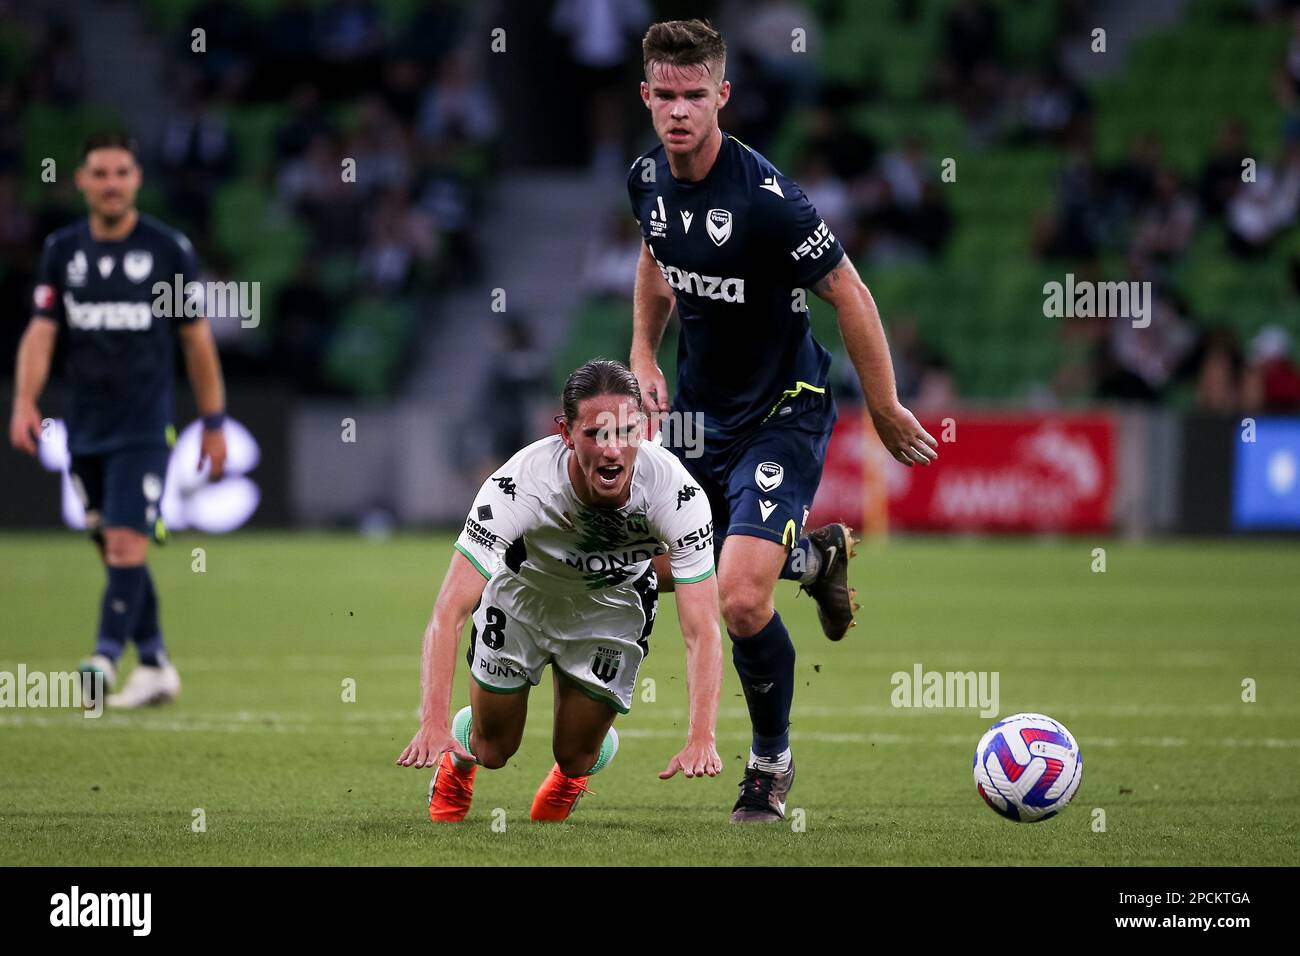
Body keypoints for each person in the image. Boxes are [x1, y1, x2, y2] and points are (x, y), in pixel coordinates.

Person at [627, 20, 937, 822]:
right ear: (647, 98)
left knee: (734, 599)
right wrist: (644, 352)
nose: (679, 111)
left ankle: (769, 764)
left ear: (722, 96)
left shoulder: (767, 199)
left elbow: (850, 293)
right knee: (653, 580)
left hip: (781, 410)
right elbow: (656, 259)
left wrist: (885, 404)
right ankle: (815, 561)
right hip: (697, 417)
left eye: (695, 95)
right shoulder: (647, 182)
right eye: (665, 95)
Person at [397, 359, 723, 822]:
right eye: (595, 434)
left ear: (646, 430)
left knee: (576, 755)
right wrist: (431, 722)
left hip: (610, 608)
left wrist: (701, 737)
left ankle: (574, 774)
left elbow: (702, 629)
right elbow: (449, 608)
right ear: (566, 433)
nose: (612, 451)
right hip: (521, 601)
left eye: (626, 431)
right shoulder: (519, 485)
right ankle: (459, 759)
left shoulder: (677, 495)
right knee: (493, 748)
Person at [8, 131, 228, 708]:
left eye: (122, 173)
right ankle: (154, 662)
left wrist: (213, 421)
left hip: (144, 426)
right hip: (83, 426)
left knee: (128, 541)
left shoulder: (166, 250)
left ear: (137, 180)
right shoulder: (61, 251)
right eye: (100, 174)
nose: (111, 184)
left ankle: (103, 659)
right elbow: (42, 331)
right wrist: (24, 401)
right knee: (111, 543)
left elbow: (196, 339)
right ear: (81, 180)